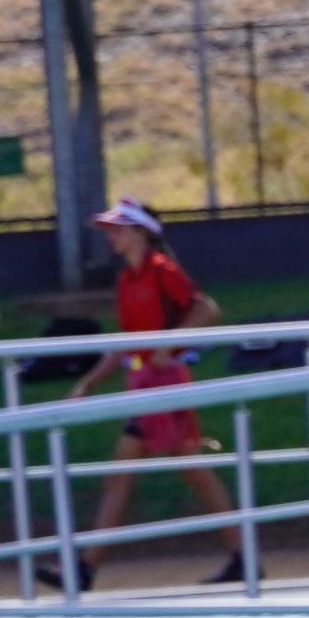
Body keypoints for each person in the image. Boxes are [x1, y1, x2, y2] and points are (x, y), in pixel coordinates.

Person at [80, 200, 244, 584]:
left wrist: (168, 344)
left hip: (164, 383)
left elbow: (206, 309)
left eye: (118, 228)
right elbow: (125, 340)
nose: (111, 236)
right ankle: (243, 556)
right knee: (189, 471)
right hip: (143, 385)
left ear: (141, 231)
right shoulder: (127, 279)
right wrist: (88, 382)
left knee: (122, 474)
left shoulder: (160, 270)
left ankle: (86, 568)